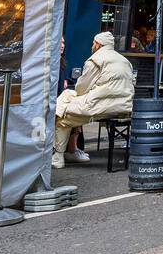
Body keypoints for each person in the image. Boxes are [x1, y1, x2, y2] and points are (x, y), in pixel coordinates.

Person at [53, 32, 136, 168]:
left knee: (63, 118)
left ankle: (58, 157)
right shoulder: (125, 61)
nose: (92, 46)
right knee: (68, 97)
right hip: (124, 106)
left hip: (100, 106)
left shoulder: (95, 60)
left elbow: (81, 88)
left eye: (93, 43)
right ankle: (72, 151)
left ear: (98, 44)